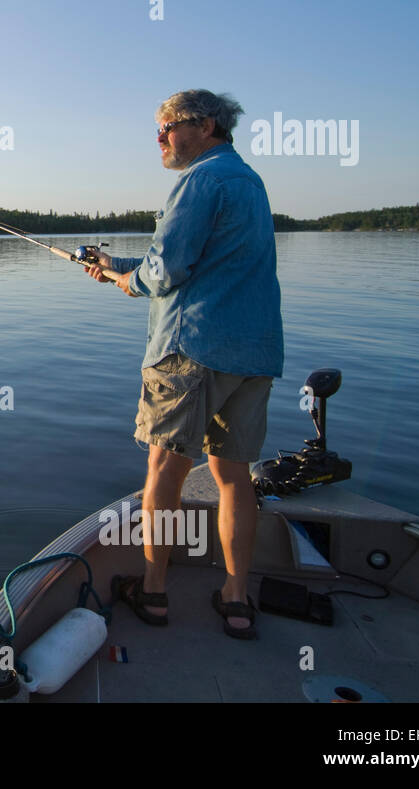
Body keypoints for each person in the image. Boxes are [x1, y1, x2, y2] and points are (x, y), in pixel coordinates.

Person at [85, 89, 283, 639]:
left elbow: (165, 270)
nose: (160, 138)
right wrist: (117, 265)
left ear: (206, 126)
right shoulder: (247, 180)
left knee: (164, 473)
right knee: (233, 476)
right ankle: (236, 596)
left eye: (167, 126)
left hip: (190, 351)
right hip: (253, 354)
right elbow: (200, 262)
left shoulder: (198, 180)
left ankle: (152, 591)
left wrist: (127, 281)